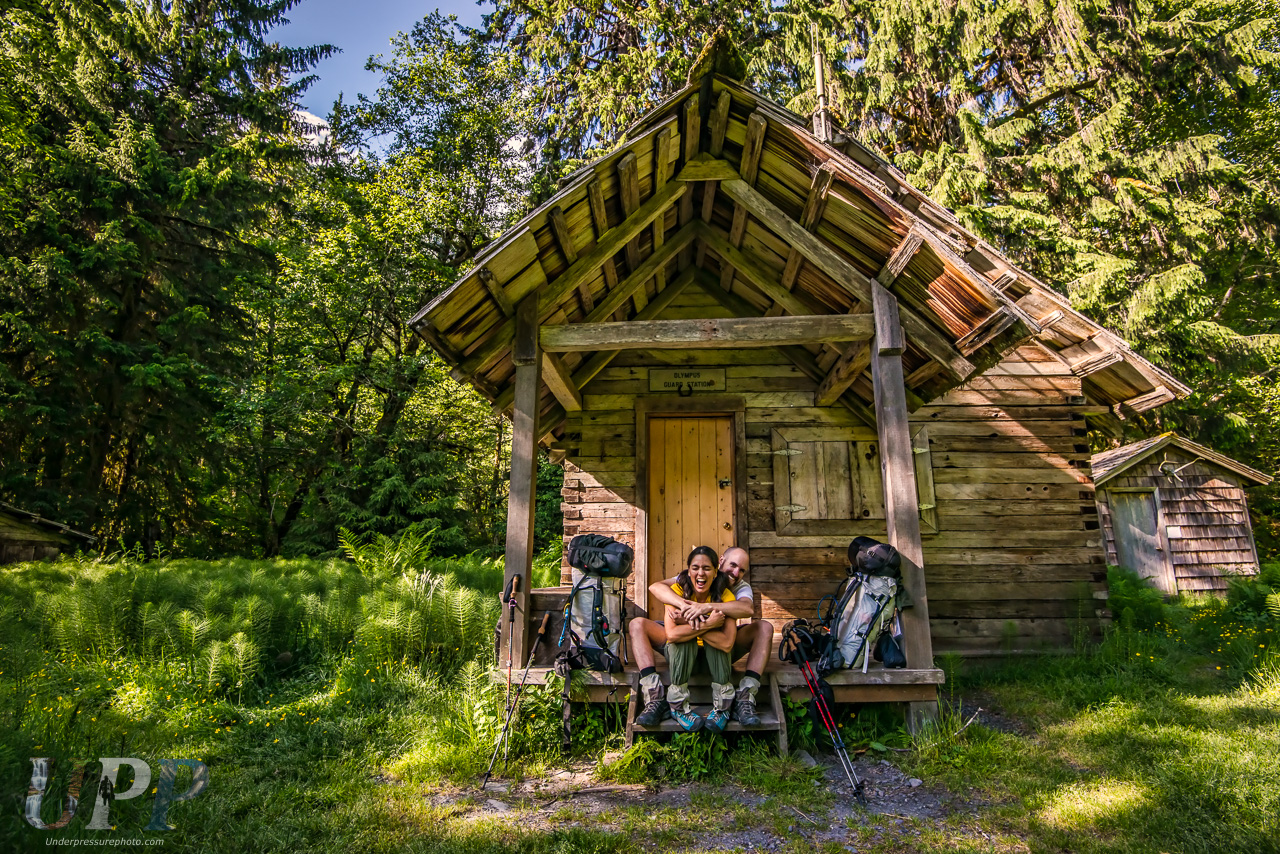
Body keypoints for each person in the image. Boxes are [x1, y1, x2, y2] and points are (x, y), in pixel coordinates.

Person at [630, 545, 775, 728]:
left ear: (714, 571)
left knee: (764, 628)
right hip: (685, 644)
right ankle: (654, 696)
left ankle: (745, 697)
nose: (736, 572)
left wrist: (704, 610)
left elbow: (746, 609)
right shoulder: (690, 578)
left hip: (718, 644)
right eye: (732, 565)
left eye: (742, 570)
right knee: (637, 624)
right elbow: (656, 588)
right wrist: (686, 607)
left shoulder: (735, 590)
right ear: (720, 562)